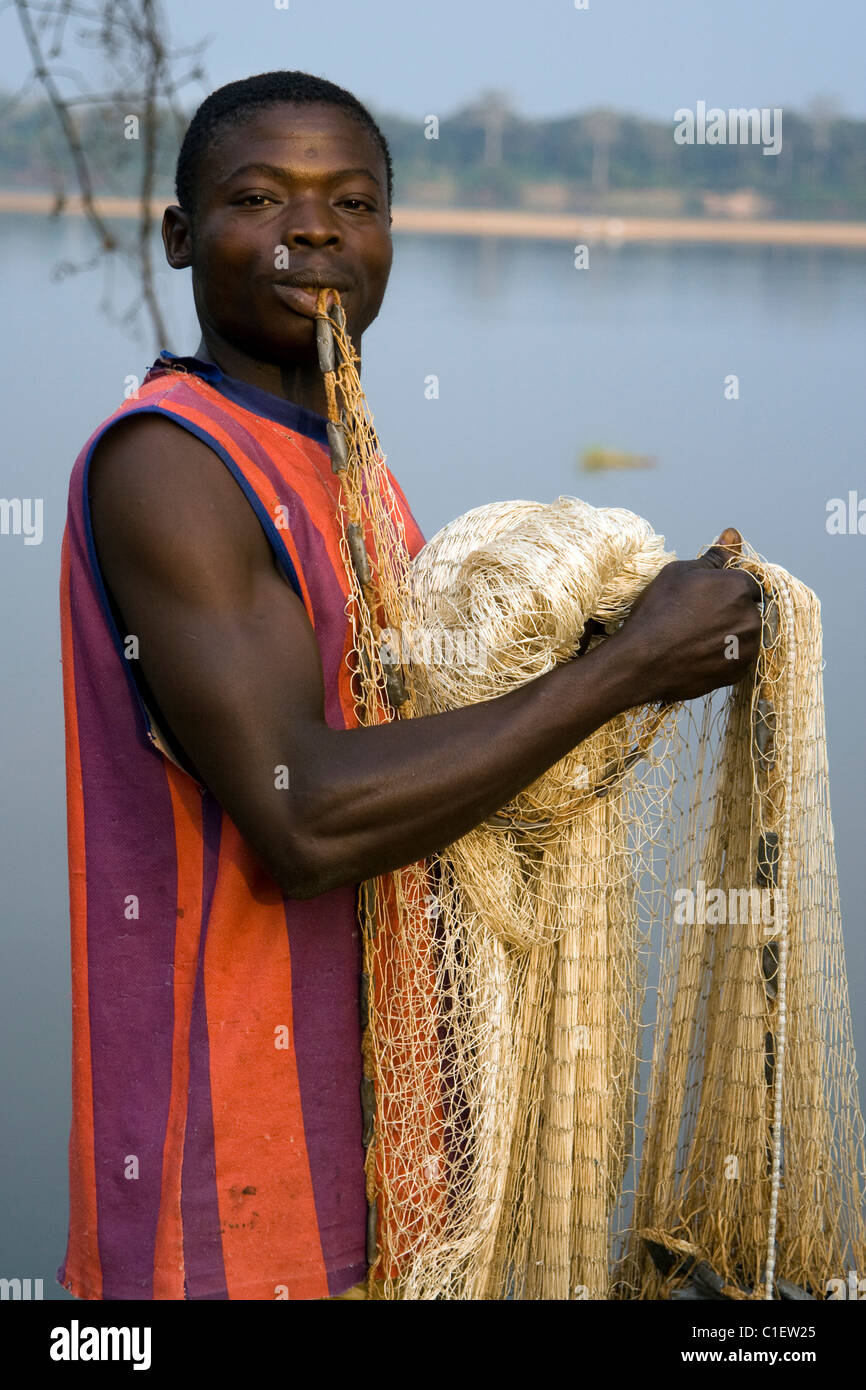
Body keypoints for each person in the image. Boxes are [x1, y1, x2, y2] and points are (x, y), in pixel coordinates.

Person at [57, 70, 761, 1302]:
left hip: (387, 1162)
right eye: (259, 196)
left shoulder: (342, 459)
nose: (313, 229)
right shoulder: (169, 463)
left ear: (387, 237)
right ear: (178, 236)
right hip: (224, 1198)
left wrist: (608, 631)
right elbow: (304, 816)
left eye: (353, 202)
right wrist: (623, 669)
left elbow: (406, 726)